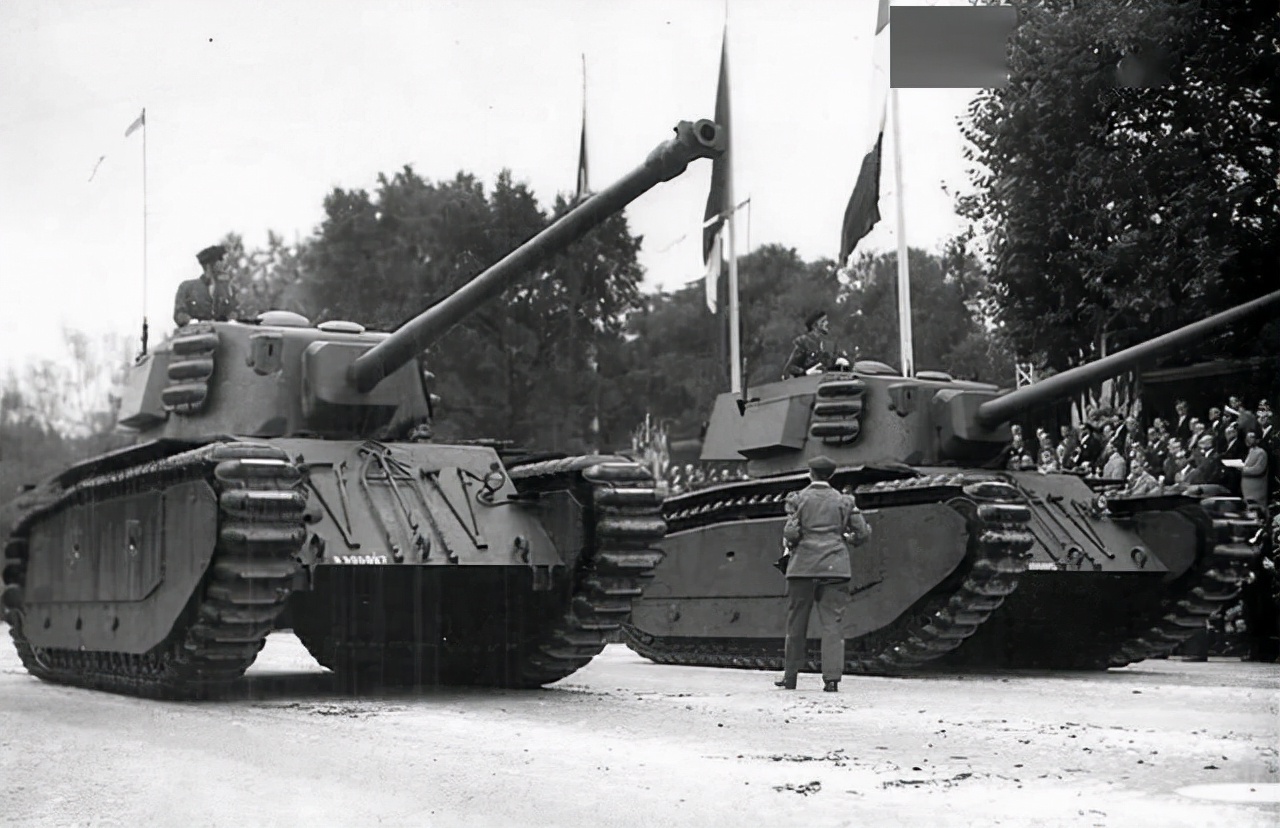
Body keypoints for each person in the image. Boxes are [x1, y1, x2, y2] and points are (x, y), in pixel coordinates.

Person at [775, 455, 871, 693]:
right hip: (835, 568)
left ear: (810, 473)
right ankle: (831, 679)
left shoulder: (799, 499)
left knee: (796, 623)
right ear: (831, 476)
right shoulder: (844, 501)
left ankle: (791, 677)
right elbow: (862, 533)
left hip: (803, 568)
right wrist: (848, 538)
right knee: (832, 624)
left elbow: (791, 533)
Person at [174, 244, 237, 326]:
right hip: (196, 334)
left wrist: (233, 317)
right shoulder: (187, 288)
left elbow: (235, 312)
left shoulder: (229, 289)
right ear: (209, 265)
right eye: (220, 259)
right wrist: (192, 321)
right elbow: (179, 315)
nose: (224, 264)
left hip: (224, 334)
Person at [782, 311, 834, 379]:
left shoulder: (826, 343)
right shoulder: (803, 342)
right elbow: (789, 369)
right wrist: (806, 373)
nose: (827, 323)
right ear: (815, 325)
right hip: (805, 386)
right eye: (823, 321)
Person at [1240, 431, 1268, 509]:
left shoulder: (1261, 452)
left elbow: (1259, 469)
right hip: (1247, 490)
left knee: (1259, 510)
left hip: (1257, 490)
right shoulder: (1250, 452)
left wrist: (1243, 470)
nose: (1248, 439)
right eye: (1247, 437)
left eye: (1251, 437)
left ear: (1257, 440)